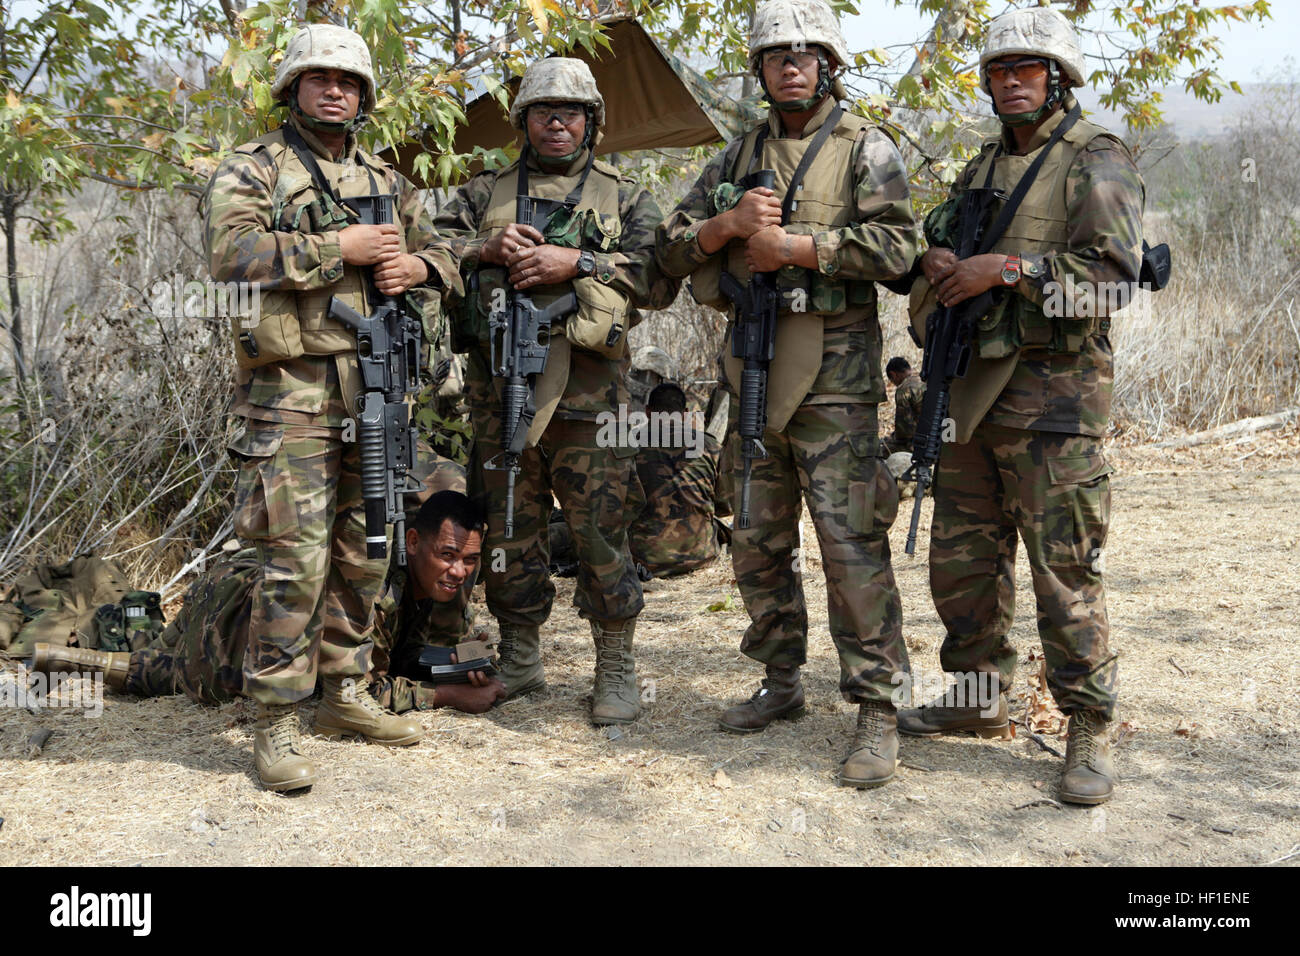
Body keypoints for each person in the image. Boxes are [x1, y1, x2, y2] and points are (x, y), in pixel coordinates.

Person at [656, 0, 921, 787]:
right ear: (761, 70)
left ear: (828, 65)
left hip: (836, 381)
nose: (790, 65)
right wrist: (726, 227)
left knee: (851, 544)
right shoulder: (738, 155)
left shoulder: (864, 147)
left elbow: (901, 250)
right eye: (776, 55)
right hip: (754, 369)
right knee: (757, 536)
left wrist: (800, 247)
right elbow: (668, 247)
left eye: (805, 54)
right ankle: (780, 677)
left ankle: (877, 706)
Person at [200, 23, 461, 791]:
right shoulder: (255, 166)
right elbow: (230, 255)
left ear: (364, 96)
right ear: (292, 87)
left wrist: (418, 266)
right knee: (293, 557)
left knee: (368, 543)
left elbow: (445, 251)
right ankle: (277, 717)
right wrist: (335, 250)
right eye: (319, 78)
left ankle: (345, 690)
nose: (334, 90)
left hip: (375, 387)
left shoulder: (385, 178)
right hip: (291, 395)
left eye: (347, 81)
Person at [897, 7, 1143, 806]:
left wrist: (1009, 271)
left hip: (1054, 405)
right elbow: (940, 249)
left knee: (1063, 571)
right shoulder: (982, 167)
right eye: (999, 70)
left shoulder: (1094, 159)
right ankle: (978, 697)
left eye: (1026, 69)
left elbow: (1112, 282)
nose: (1010, 81)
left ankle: (1087, 727)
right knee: (963, 563)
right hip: (972, 393)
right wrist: (938, 259)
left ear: (1058, 78)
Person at [433, 58, 679, 724]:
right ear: (523, 122)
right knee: (509, 524)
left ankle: (615, 664)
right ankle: (520, 655)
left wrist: (580, 262)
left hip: (590, 400)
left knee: (601, 528)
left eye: (571, 112)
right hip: (500, 394)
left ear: (591, 122)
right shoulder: (482, 193)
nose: (557, 123)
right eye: (543, 112)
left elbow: (661, 278)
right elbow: (430, 252)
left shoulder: (624, 196)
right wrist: (485, 249)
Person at [29, 493, 501, 714]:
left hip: (236, 576)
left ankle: (77, 649)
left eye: (470, 560)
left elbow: (398, 653)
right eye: (448, 556)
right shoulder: (375, 586)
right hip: (241, 611)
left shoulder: (416, 574)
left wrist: (451, 664)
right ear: (413, 542)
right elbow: (352, 689)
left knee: (160, 646)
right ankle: (71, 660)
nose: (459, 571)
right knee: (172, 674)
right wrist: (449, 696)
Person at [627, 382, 727, 578]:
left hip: (643, 556)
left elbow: (612, 503)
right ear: (685, 414)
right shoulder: (711, 446)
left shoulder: (627, 445)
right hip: (700, 556)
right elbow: (725, 505)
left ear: (647, 412)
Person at [881, 356, 924, 455]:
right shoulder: (923, 379)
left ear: (894, 374)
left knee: (880, 451)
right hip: (937, 436)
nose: (894, 384)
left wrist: (891, 440)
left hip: (917, 444)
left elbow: (904, 430)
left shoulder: (904, 389)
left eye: (892, 380)